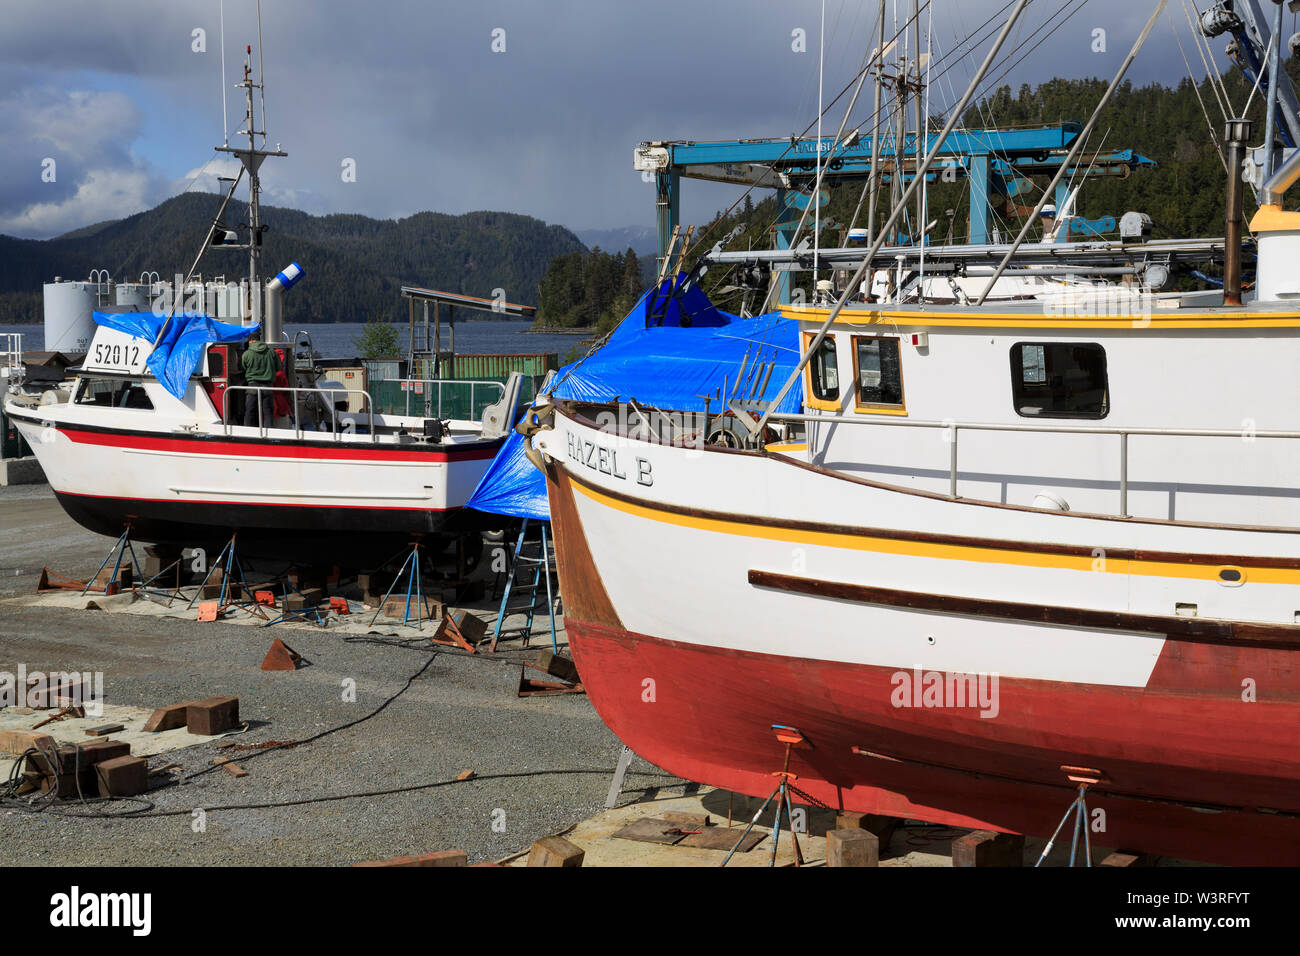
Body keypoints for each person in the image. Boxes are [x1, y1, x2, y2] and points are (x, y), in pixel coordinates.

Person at [241, 330, 283, 428]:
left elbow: (243, 367)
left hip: (252, 386)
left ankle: (248, 432)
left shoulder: (247, 354)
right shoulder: (271, 352)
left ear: (250, 341)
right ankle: (268, 433)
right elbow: (278, 367)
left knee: (250, 411)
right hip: (268, 387)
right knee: (268, 412)